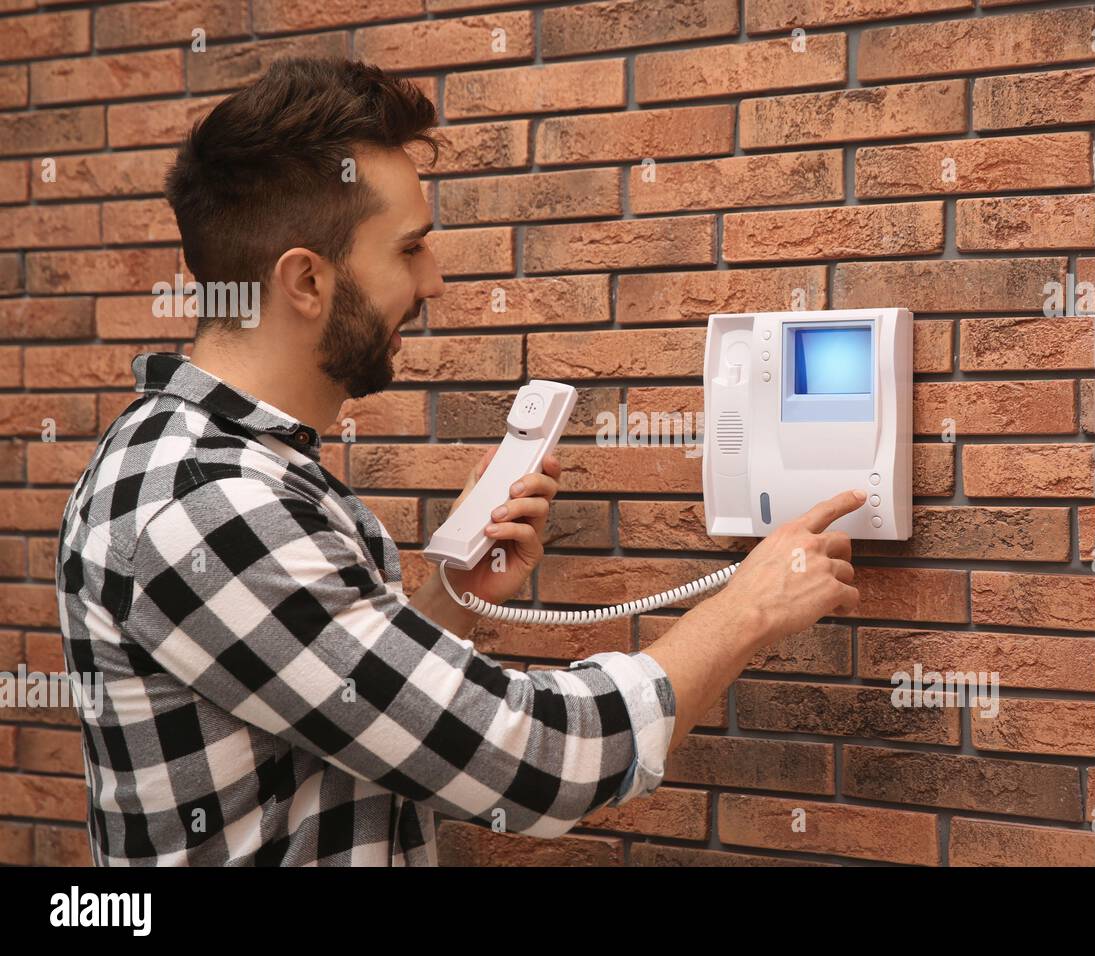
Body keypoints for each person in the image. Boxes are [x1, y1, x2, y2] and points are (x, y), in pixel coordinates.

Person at [55, 56, 865, 866]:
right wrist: (750, 607)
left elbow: (342, 723)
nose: (434, 280)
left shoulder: (230, 464)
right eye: (410, 250)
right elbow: (538, 761)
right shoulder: (206, 504)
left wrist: (451, 599)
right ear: (305, 279)